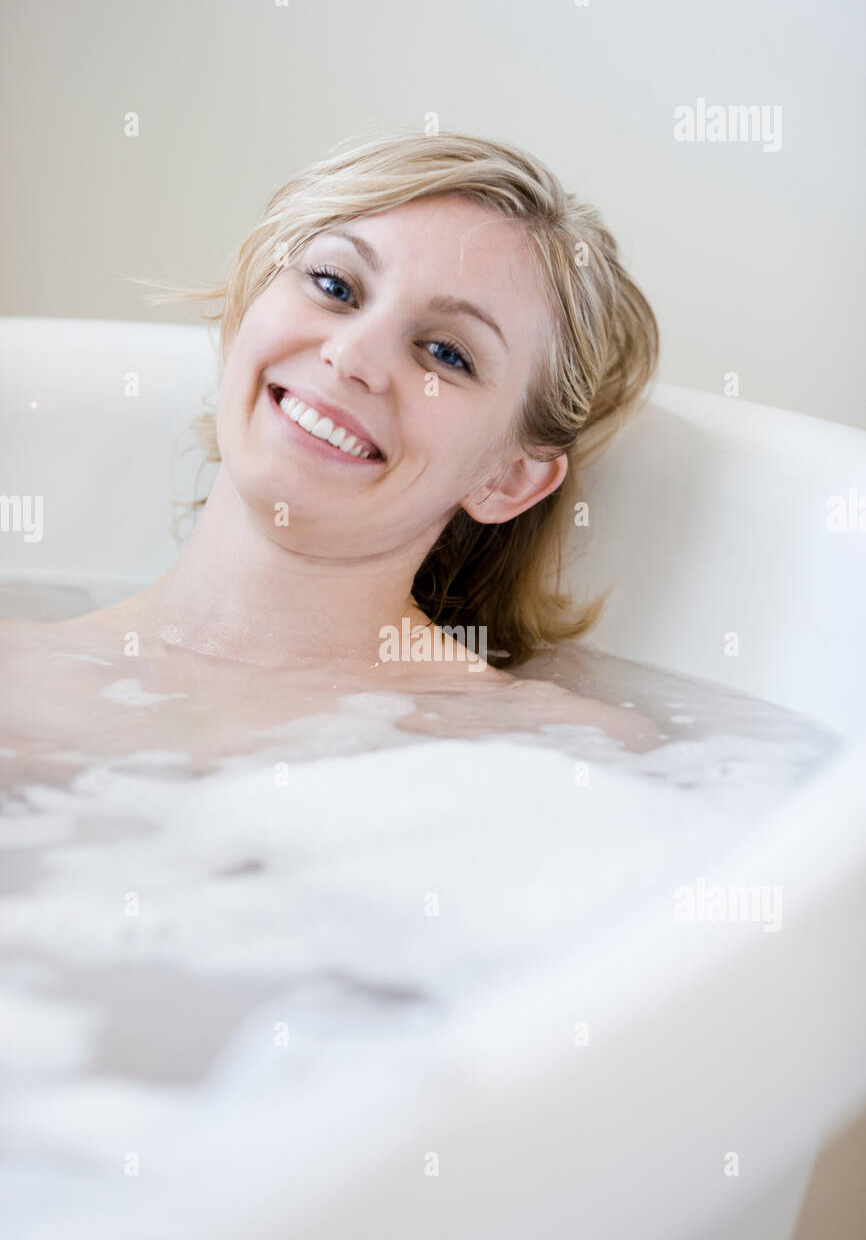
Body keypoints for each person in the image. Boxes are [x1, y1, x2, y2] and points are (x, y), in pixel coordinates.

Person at [1, 130, 661, 780]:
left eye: (447, 354)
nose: (352, 356)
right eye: (335, 286)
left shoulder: (555, 756)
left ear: (508, 479)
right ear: (245, 311)